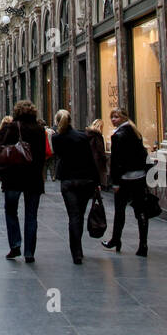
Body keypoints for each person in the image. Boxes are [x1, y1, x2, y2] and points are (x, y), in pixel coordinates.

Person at [52, 110, 103, 264]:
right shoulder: (82, 136)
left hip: (68, 180)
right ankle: (78, 249)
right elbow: (90, 159)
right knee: (79, 214)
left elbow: (59, 155)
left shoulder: (56, 138)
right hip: (85, 180)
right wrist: (97, 182)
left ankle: (77, 252)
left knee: (73, 216)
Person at [0, 100, 46, 262]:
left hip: (14, 178)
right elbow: (41, 156)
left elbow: (3, 151)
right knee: (31, 215)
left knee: (11, 211)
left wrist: (3, 176)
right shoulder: (40, 130)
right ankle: (29, 252)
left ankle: (15, 245)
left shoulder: (13, 127)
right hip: (33, 178)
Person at [103, 108, 150, 257]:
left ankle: (116, 239)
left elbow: (116, 162)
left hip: (125, 180)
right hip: (139, 178)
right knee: (141, 211)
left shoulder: (118, 136)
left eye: (116, 117)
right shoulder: (136, 133)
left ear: (124, 117)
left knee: (120, 210)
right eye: (112, 117)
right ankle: (143, 245)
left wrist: (115, 182)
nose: (113, 120)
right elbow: (143, 155)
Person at [86, 118, 108, 185]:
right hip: (97, 160)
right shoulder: (98, 135)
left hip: (88, 159)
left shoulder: (87, 133)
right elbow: (100, 149)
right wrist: (104, 158)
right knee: (97, 180)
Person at [0, 114, 12, 191]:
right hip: (9, 153)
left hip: (0, 153)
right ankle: (4, 186)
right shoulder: (12, 131)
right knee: (7, 170)